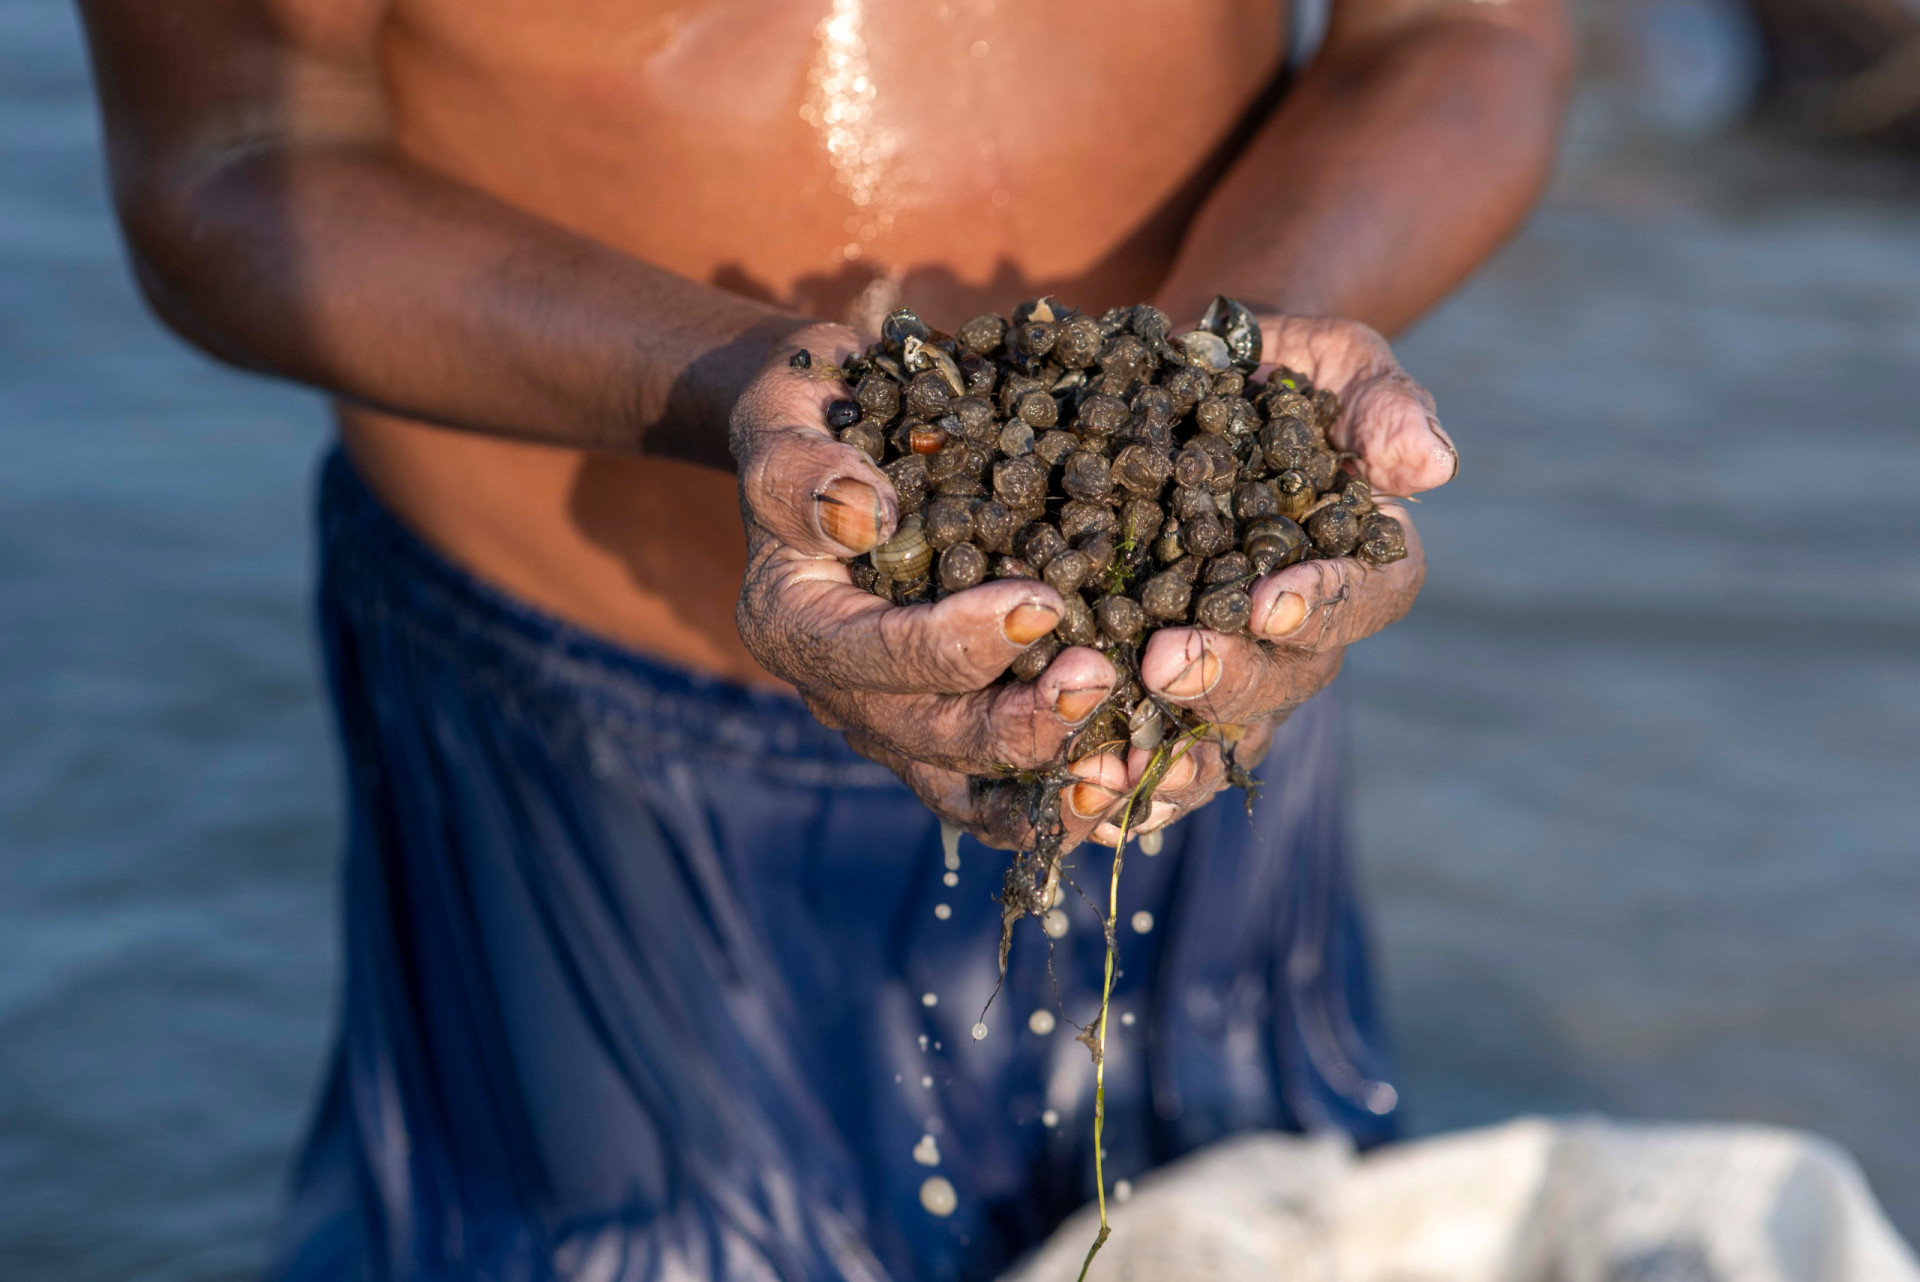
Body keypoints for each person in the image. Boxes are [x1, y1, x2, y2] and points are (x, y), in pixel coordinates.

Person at [77, 0, 1572, 1276]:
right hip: (585, 746)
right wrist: (730, 389)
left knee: (1243, 1215)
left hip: (1191, 674)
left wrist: (1249, 365)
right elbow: (230, 159)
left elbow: (1465, 25)